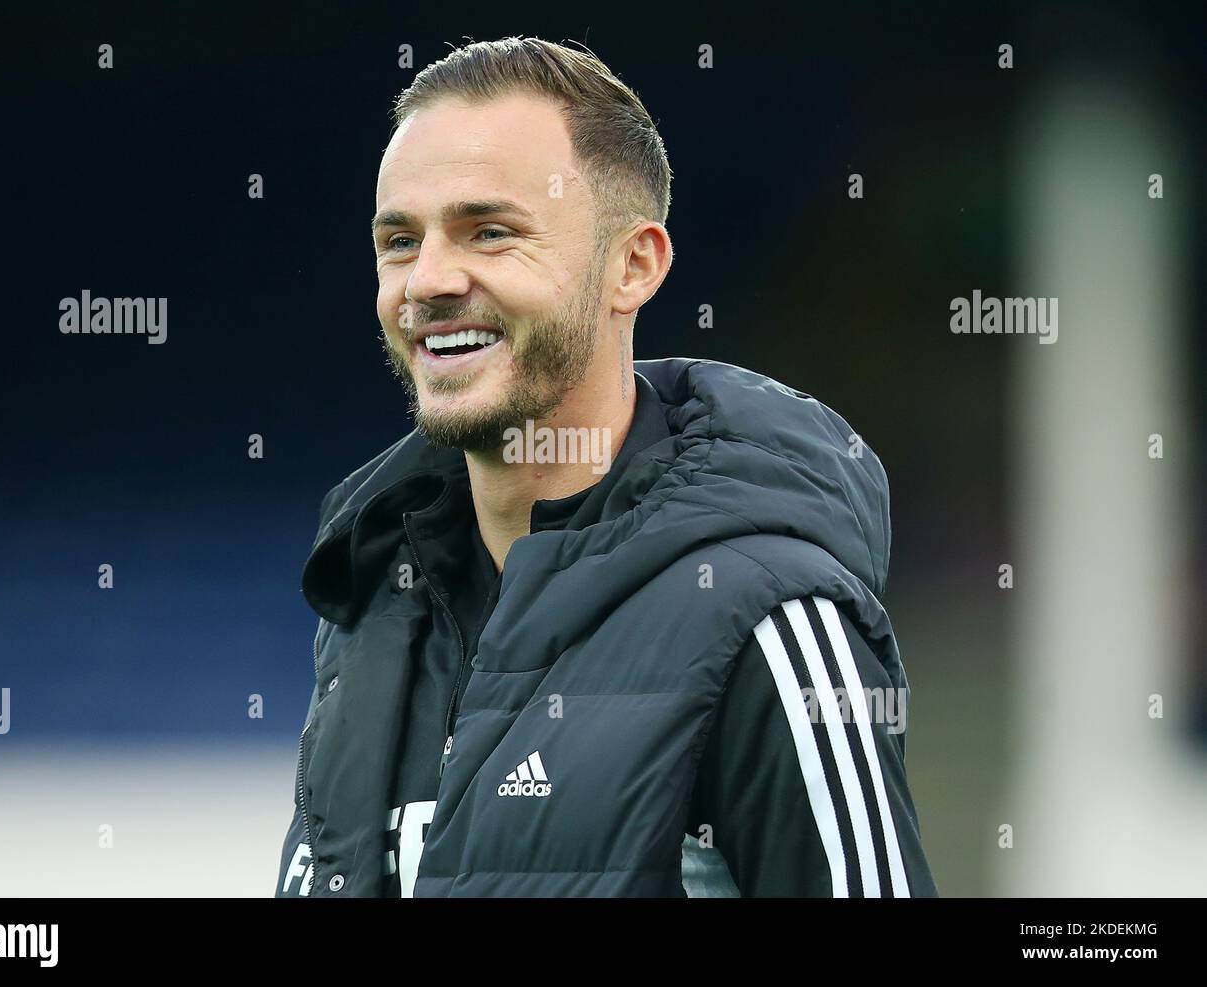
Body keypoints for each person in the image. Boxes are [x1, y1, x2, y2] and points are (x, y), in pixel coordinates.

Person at [275, 36, 937, 897]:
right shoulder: (369, 612)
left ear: (635, 266)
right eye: (400, 240)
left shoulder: (772, 627)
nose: (428, 279)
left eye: (490, 231)